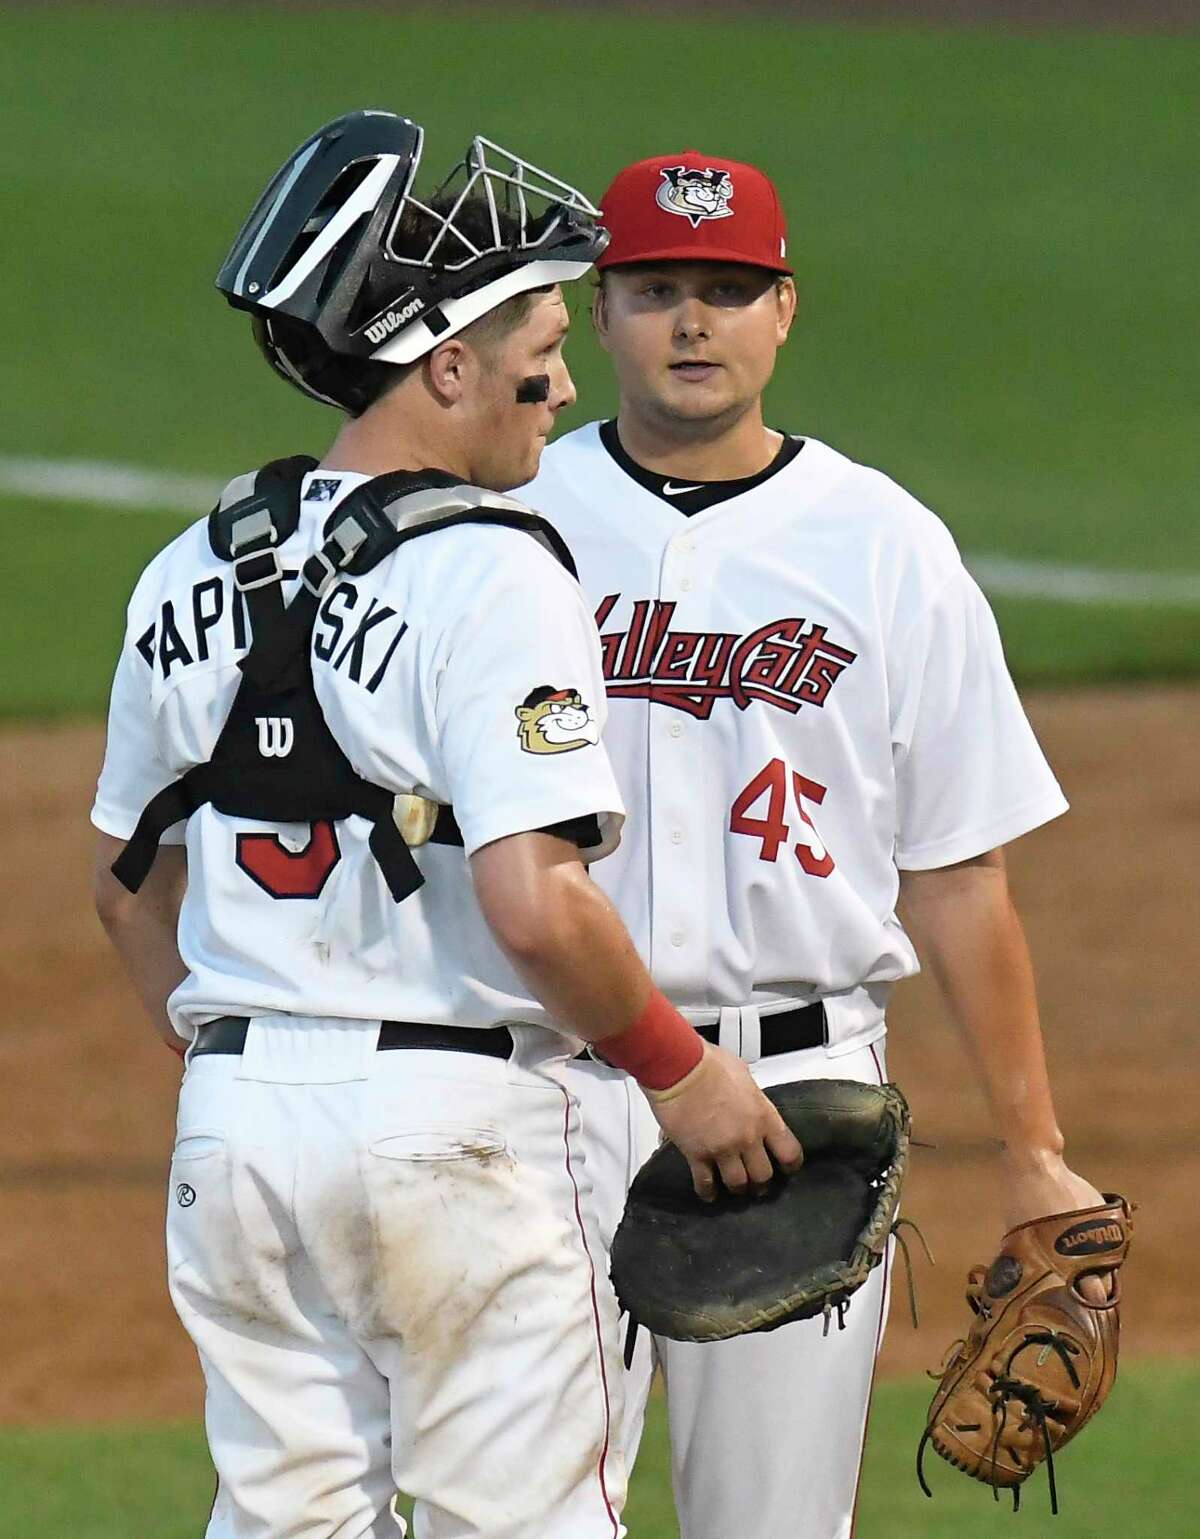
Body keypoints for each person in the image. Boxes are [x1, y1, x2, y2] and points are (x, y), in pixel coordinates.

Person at [90, 116, 800, 1539]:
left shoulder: (191, 565)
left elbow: (126, 885)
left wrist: (259, 1044)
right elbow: (537, 903)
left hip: (233, 1134)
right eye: (539, 338)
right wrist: (684, 1076)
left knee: (283, 1522)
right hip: (456, 1141)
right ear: (446, 363)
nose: (557, 379)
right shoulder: (490, 570)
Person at [522, 149, 1107, 1539]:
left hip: (796, 1109)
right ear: (597, 313)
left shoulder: (885, 546)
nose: (690, 323)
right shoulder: (512, 521)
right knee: (517, 1517)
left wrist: (1033, 1148)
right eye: (657, 288)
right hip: (543, 1090)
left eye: (728, 290)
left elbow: (962, 873)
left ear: (786, 310)